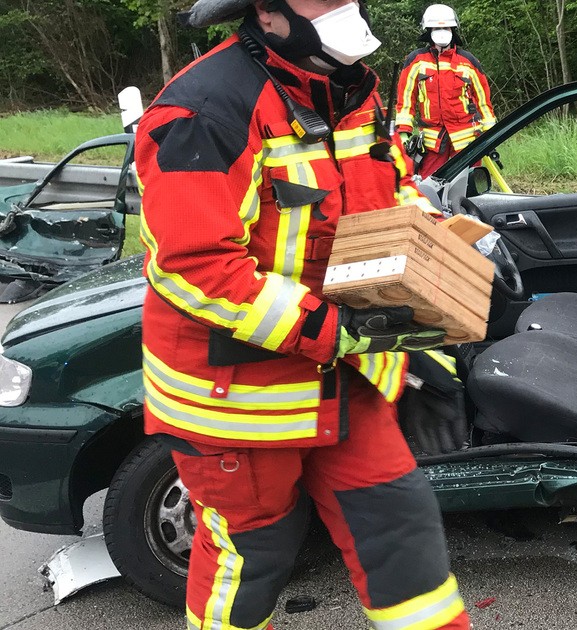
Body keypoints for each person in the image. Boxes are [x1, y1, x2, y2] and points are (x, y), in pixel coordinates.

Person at [134, 1, 470, 628]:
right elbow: (195, 265)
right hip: (238, 401)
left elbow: (382, 192)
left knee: (402, 529)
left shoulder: (349, 90)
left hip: (346, 377)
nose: (347, 7)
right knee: (251, 558)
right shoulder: (204, 108)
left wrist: (431, 239)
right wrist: (333, 329)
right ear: (266, 10)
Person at [395, 4, 497, 178]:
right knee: (430, 187)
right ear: (428, 30)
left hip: (467, 143)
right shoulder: (416, 61)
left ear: (453, 29)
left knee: (467, 189)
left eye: (446, 27)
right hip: (432, 142)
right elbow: (405, 101)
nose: (442, 31)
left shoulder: (468, 62)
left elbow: (483, 102)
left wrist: (491, 136)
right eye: (437, 27)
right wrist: (403, 133)